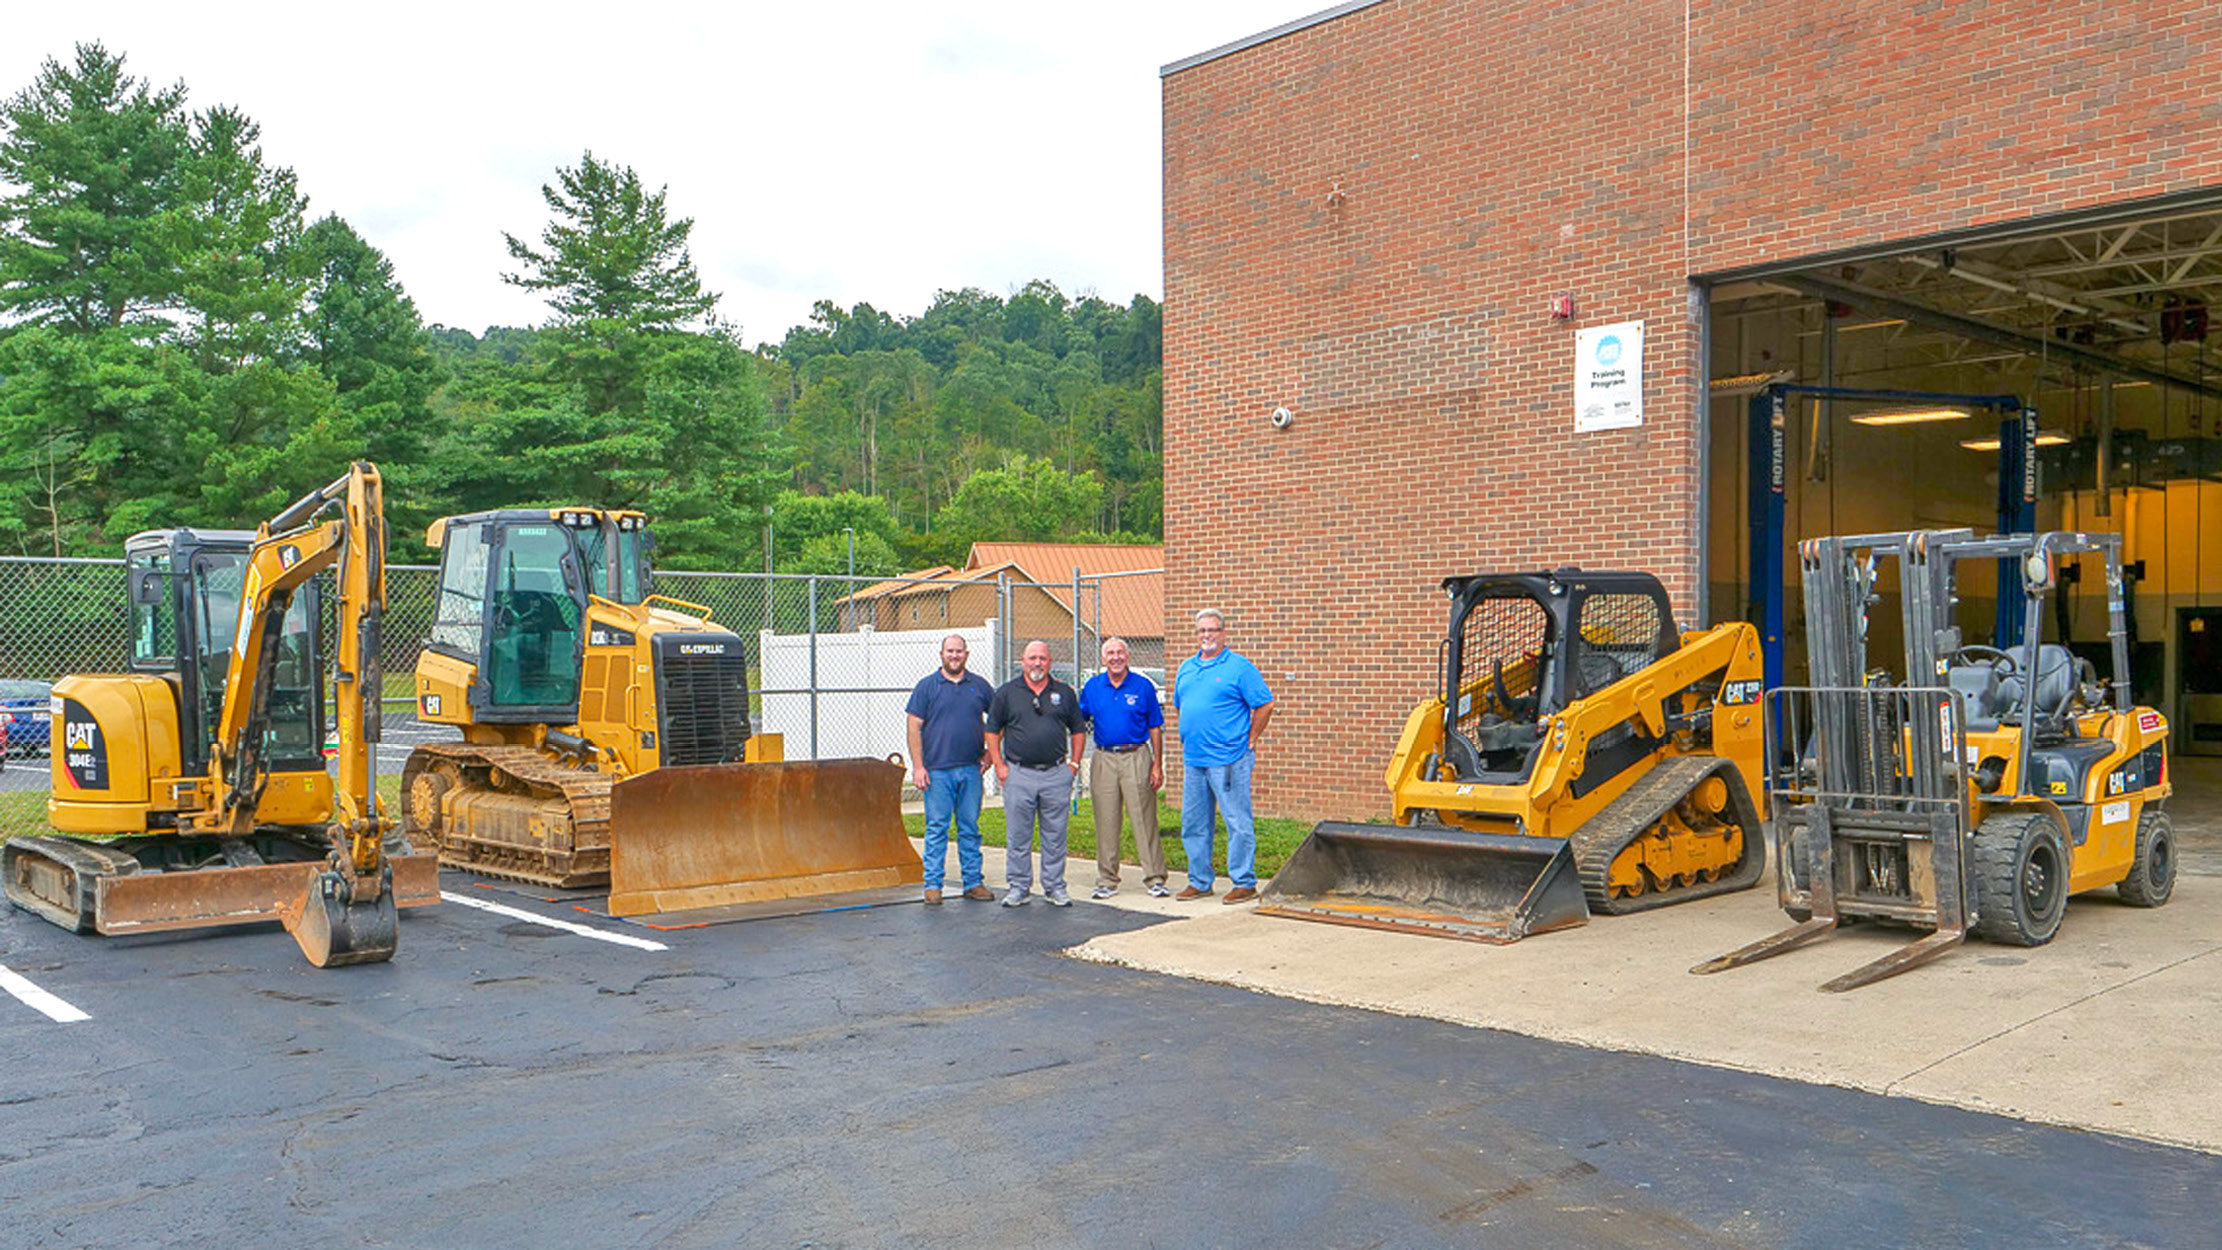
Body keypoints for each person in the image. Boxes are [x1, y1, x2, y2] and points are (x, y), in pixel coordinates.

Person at [1170, 609, 1274, 903]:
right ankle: (1200, 881)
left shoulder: (1240, 668)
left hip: (1229, 759)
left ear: (1223, 633)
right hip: (1194, 760)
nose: (1207, 636)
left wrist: (1251, 738)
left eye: (1212, 630)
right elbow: (1182, 706)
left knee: (1237, 821)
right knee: (1193, 822)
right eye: (1202, 630)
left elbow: (1265, 705)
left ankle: (1244, 881)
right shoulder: (1186, 668)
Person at [986, 640, 1086, 907]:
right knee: (1018, 836)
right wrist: (1000, 766)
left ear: (1050, 662)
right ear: (1023, 661)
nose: (1037, 663)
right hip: (1019, 773)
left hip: (1056, 773)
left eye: (1042, 658)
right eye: (1032, 658)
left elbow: (1078, 730)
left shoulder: (1064, 693)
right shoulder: (1007, 693)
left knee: (1055, 835)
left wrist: (1074, 765)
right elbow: (992, 730)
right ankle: (1019, 887)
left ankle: (1054, 887)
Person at [905, 633, 996, 904]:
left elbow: (998, 721)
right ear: (941, 654)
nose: (954, 656)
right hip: (937, 772)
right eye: (950, 651)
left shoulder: (979, 686)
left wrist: (991, 754)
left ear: (966, 655)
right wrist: (918, 766)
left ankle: (973, 882)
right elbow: (913, 727)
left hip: (971, 770)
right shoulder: (927, 687)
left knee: (969, 827)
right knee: (936, 828)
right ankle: (933, 885)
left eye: (959, 651)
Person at [1077, 637, 1166, 900]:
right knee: (1106, 820)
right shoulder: (1093, 687)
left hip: (1136, 755)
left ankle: (1155, 878)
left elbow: (1155, 727)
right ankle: (1106, 880)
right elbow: (1078, 721)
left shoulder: (1142, 686)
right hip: (1104, 758)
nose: (1115, 657)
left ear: (1128, 656)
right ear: (1103, 658)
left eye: (1120, 653)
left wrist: (1157, 765)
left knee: (1144, 818)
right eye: (1110, 653)